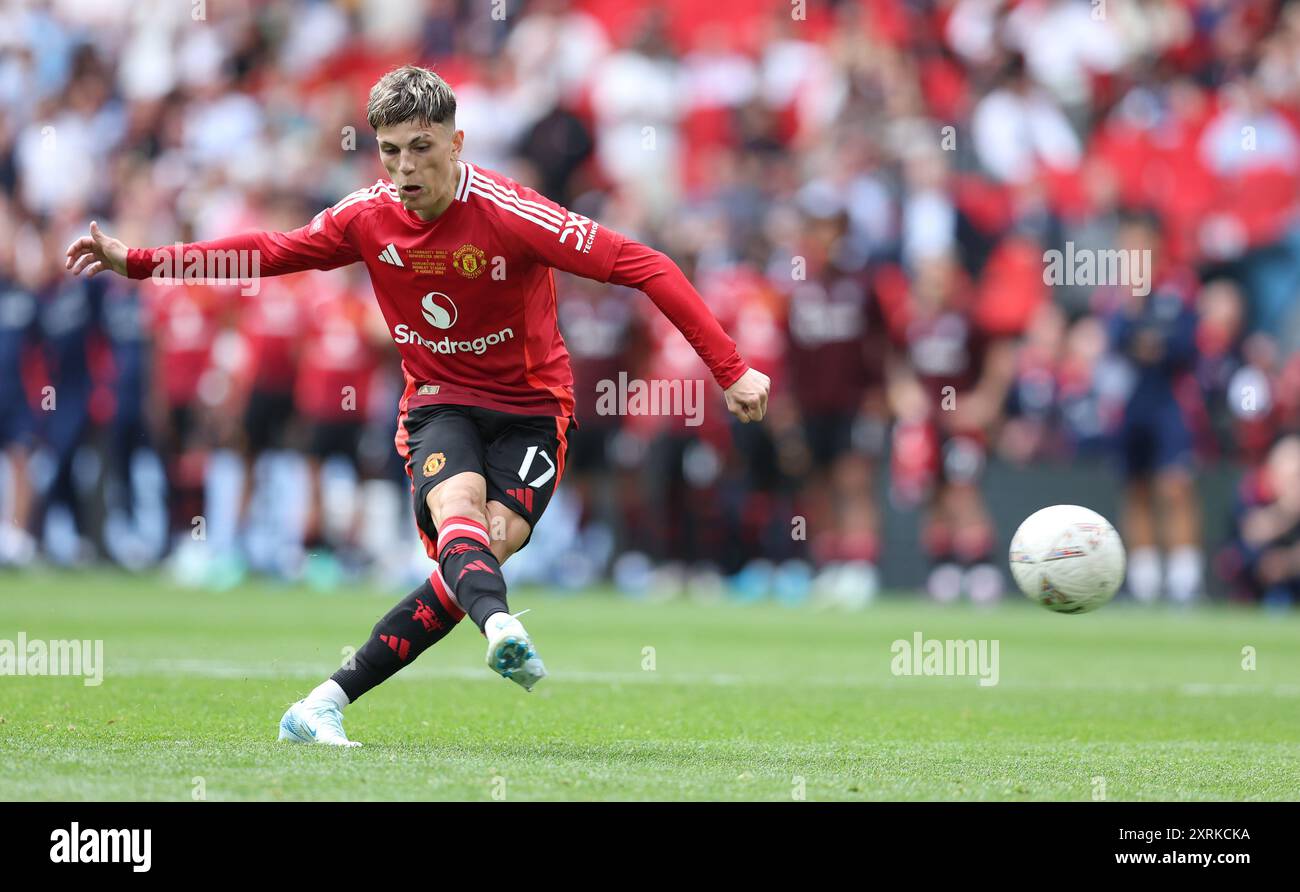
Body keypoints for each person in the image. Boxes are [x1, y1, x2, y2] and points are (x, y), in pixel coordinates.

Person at [66, 65, 770, 746]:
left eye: (421, 148)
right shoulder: (365, 217)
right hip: (439, 402)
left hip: (532, 408)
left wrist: (730, 370)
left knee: (485, 548)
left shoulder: (511, 215)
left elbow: (643, 265)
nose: (404, 169)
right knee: (459, 512)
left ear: (456, 144)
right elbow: (269, 251)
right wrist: (143, 262)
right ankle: (500, 630)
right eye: (390, 151)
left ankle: (323, 703)